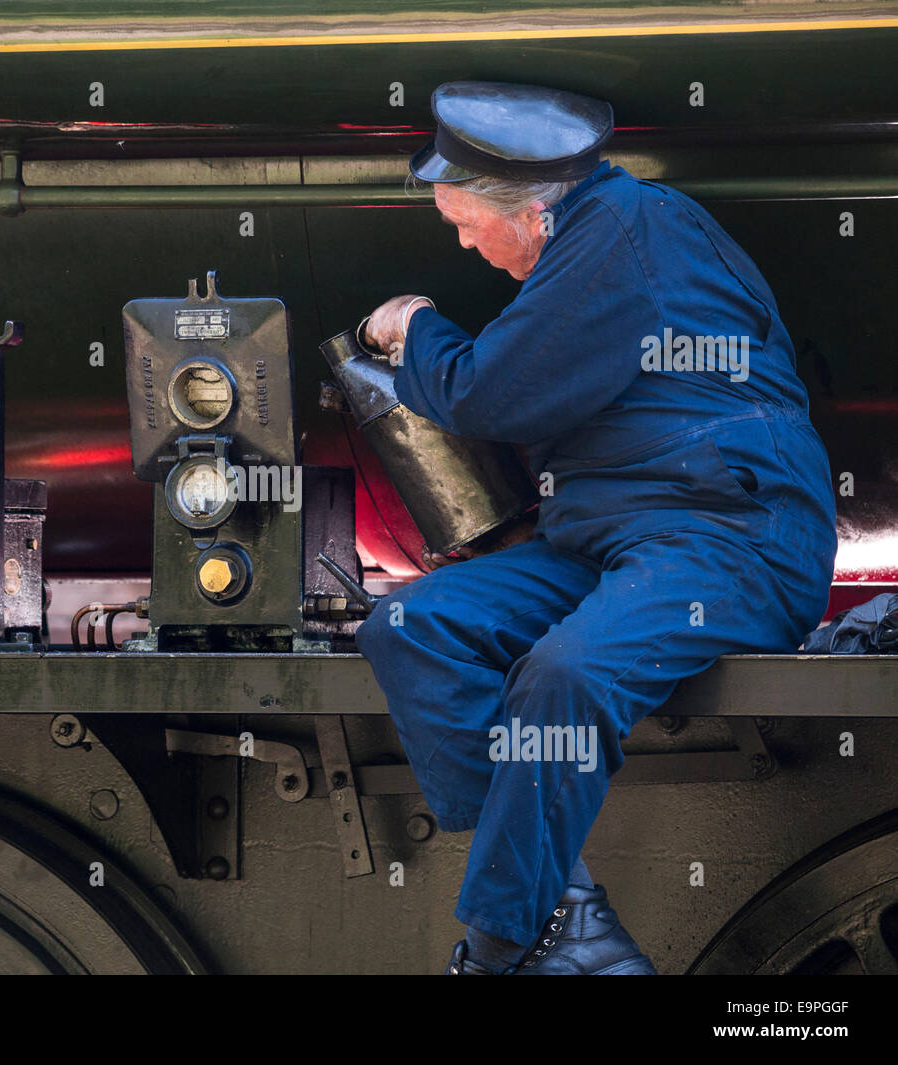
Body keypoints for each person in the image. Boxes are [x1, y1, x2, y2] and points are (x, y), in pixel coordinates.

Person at [355, 81, 837, 975]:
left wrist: (414, 325)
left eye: (465, 223)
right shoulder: (592, 241)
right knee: (410, 625)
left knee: (566, 673)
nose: (463, 242)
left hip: (732, 538)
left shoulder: (621, 230)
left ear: (534, 212)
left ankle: (500, 944)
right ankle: (564, 921)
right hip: (611, 544)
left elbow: (486, 391)